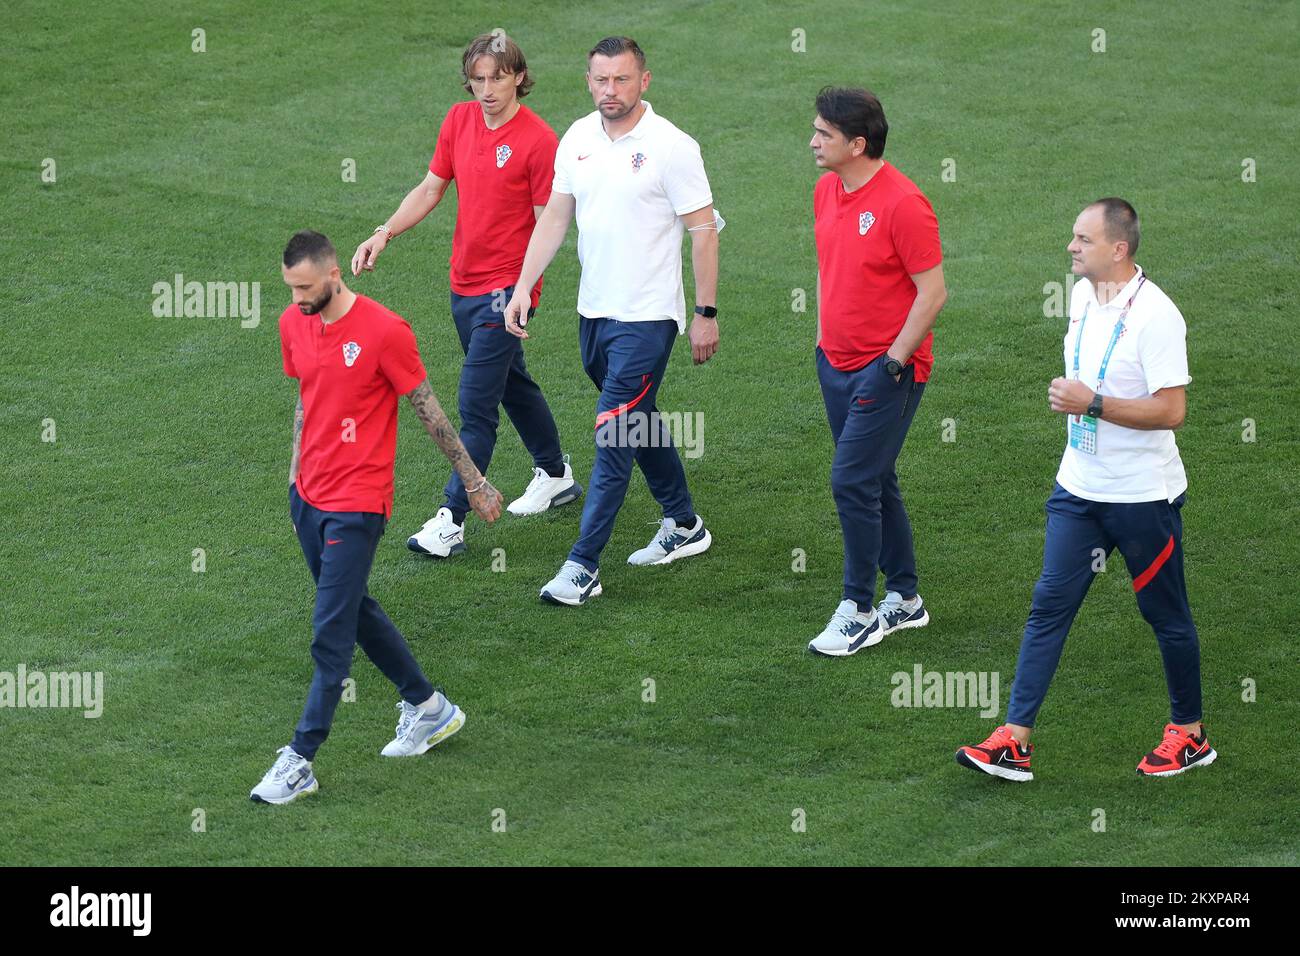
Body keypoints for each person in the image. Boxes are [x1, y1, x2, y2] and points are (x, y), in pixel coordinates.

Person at [957, 198, 1213, 781]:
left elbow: (1173, 410)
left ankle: (1190, 733)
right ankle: (1013, 739)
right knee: (1049, 606)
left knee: (1165, 614)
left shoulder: (1156, 317)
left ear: (1117, 249)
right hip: (1078, 488)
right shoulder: (1079, 295)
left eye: (1082, 239)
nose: (1070, 247)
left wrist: (1092, 404)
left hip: (1143, 498)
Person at [251, 230, 503, 805]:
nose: (296, 300)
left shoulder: (385, 332)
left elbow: (429, 411)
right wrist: (293, 483)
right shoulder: (294, 324)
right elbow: (305, 400)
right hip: (309, 498)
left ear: (334, 274)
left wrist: (473, 480)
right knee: (354, 608)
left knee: (330, 634)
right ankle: (429, 707)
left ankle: (300, 760)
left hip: (358, 505)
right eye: (290, 288)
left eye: (305, 288)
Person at [501, 36, 721, 606]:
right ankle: (684, 524)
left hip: (648, 320)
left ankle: (583, 565)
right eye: (601, 80)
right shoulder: (576, 138)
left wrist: (704, 312)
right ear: (588, 79)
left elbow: (703, 231)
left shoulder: (674, 147)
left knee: (613, 432)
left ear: (644, 80)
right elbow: (555, 216)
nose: (610, 91)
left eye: (622, 80)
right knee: (636, 418)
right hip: (594, 314)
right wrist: (523, 286)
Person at [350, 32, 579, 561]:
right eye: (477, 80)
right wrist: (384, 233)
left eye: (496, 77)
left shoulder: (541, 142)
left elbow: (548, 227)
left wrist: (524, 290)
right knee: (511, 382)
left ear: (519, 76)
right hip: (464, 287)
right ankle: (555, 472)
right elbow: (431, 187)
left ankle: (450, 518)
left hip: (507, 292)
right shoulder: (458, 120)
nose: (486, 89)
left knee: (476, 406)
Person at [804, 87, 947, 657]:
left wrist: (892, 361)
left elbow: (933, 293)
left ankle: (858, 607)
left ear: (857, 144)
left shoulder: (904, 204)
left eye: (824, 135)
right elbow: (827, 267)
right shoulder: (825, 190)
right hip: (833, 362)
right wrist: (821, 338)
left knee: (852, 481)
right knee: (875, 478)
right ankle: (906, 600)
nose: (813, 142)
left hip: (885, 370)